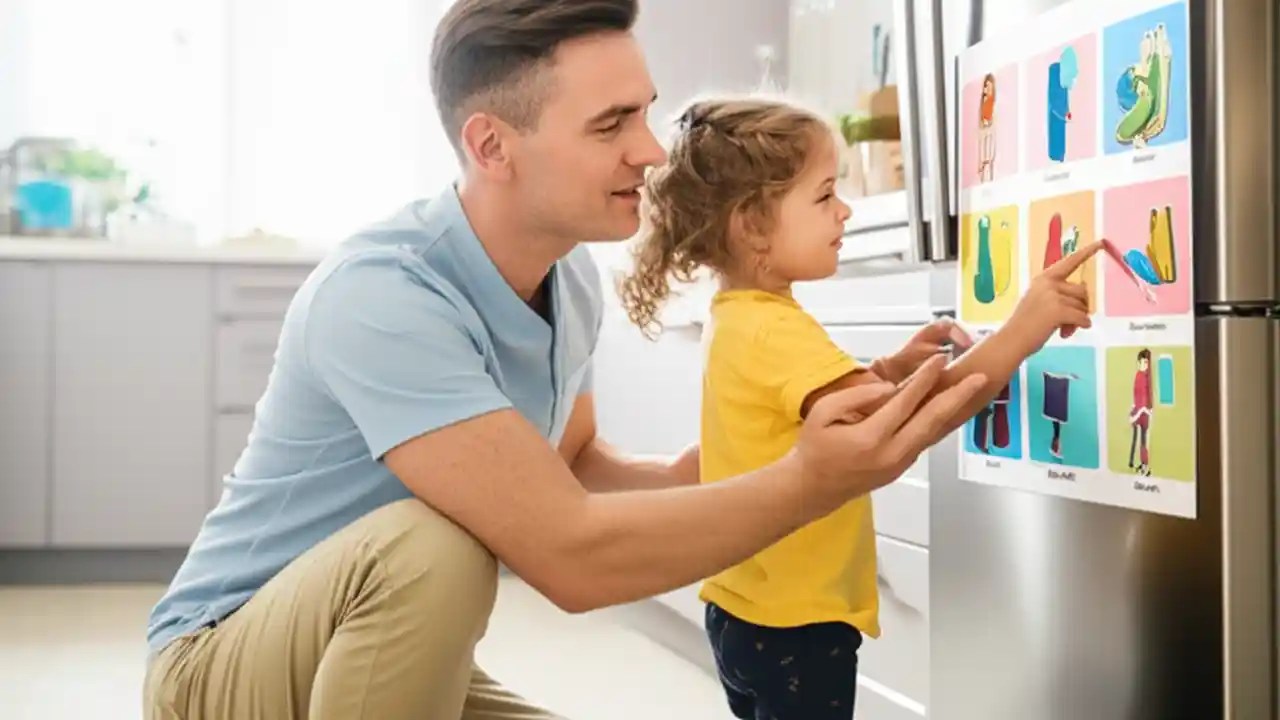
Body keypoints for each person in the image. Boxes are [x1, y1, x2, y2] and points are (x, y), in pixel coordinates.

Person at [142, 2, 1009, 719]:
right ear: (492, 147)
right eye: (611, 125)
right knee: (431, 546)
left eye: (644, 110)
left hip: (366, 655)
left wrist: (744, 453)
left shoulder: (570, 281)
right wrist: (810, 482)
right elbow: (571, 557)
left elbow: (575, 467)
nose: (654, 150)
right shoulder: (384, 296)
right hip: (225, 663)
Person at [617, 97, 1101, 719]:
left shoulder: (740, 315)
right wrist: (1023, 329)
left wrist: (887, 370)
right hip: (796, 628)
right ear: (752, 227)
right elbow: (894, 428)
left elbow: (816, 414)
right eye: (823, 197)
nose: (844, 210)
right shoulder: (774, 330)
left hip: (743, 612)